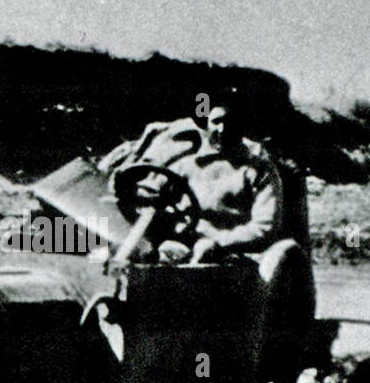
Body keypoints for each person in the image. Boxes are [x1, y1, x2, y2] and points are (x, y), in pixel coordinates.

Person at [97, 93, 284, 263]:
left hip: (226, 257)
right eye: (217, 121)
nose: (223, 129)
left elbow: (264, 228)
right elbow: (149, 196)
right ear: (207, 123)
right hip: (175, 247)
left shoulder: (259, 170)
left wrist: (218, 244)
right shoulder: (185, 161)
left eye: (232, 122)